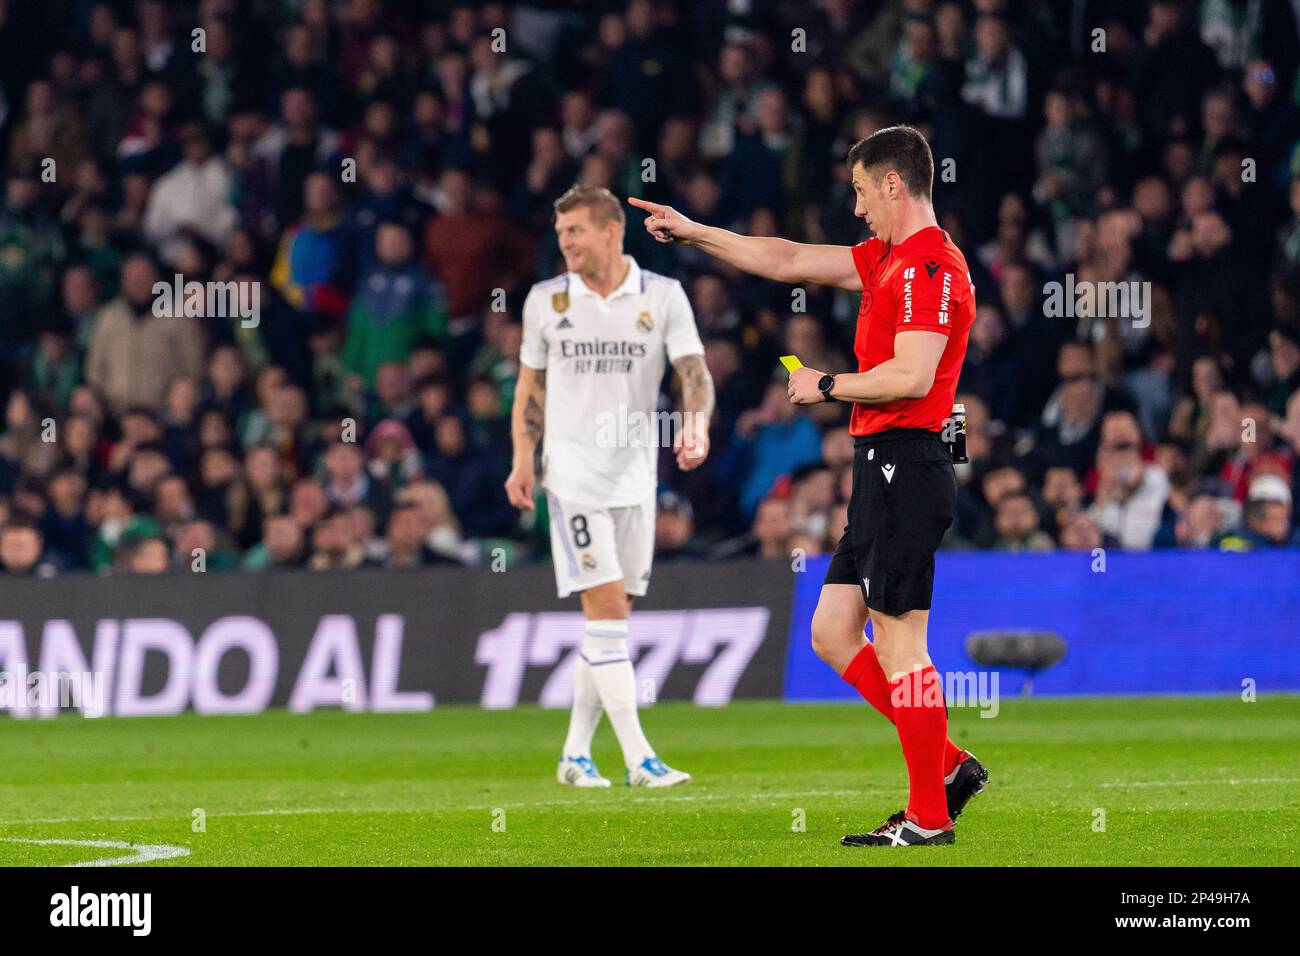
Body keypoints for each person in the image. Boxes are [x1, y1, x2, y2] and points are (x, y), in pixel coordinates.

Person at [631, 125, 985, 846]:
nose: (857, 209)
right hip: (878, 466)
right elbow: (788, 258)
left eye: (860, 191)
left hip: (909, 463)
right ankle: (946, 765)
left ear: (894, 184)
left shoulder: (929, 269)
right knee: (831, 632)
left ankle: (928, 817)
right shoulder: (887, 258)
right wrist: (695, 232)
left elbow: (914, 376)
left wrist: (827, 384)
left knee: (900, 644)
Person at [506, 184, 714, 789]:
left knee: (612, 618)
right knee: (604, 611)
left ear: (610, 231)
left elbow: (692, 371)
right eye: (560, 232)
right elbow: (530, 390)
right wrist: (524, 460)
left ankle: (574, 756)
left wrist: (695, 423)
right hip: (571, 476)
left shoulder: (662, 295)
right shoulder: (546, 301)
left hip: (634, 477)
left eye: (575, 231)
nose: (564, 242)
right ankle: (639, 759)